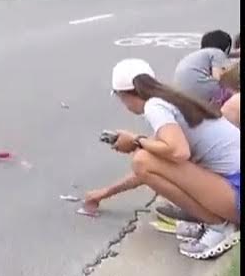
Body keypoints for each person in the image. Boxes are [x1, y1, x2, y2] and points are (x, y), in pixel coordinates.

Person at [83, 59, 240, 261]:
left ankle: (219, 228)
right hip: (233, 188)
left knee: (142, 160)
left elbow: (177, 152)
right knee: (145, 160)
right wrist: (105, 193)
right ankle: (217, 222)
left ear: (124, 95)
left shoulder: (155, 106)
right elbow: (156, 168)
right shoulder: (174, 102)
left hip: (236, 192)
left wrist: (137, 140)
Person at [172, 30, 233, 106]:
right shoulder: (218, 52)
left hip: (182, 93)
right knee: (231, 90)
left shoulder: (198, 55)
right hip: (200, 86)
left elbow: (229, 55)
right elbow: (218, 77)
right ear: (226, 47)